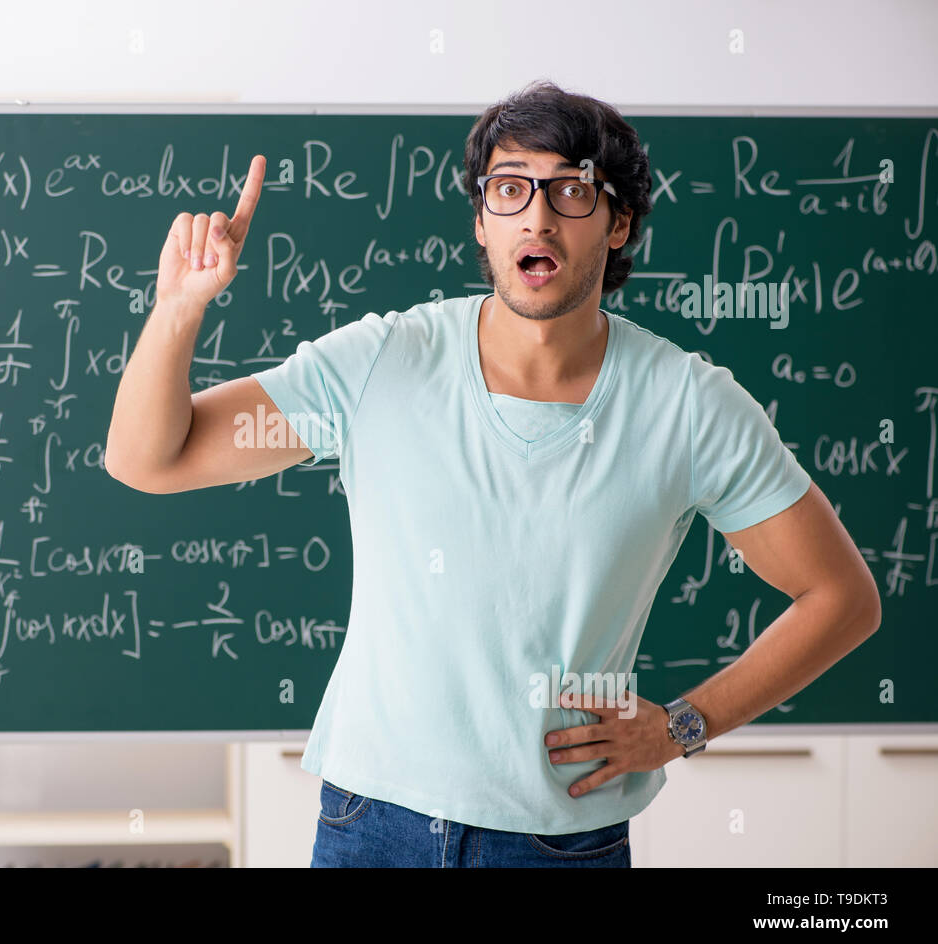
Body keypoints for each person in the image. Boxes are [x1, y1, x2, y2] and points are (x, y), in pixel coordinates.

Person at [103, 80, 881, 868]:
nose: (537, 216)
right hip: (369, 824)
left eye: (572, 191)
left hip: (557, 841)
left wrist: (683, 724)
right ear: (482, 218)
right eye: (510, 189)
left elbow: (841, 597)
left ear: (619, 224)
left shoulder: (689, 406)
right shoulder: (383, 362)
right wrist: (178, 309)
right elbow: (148, 458)